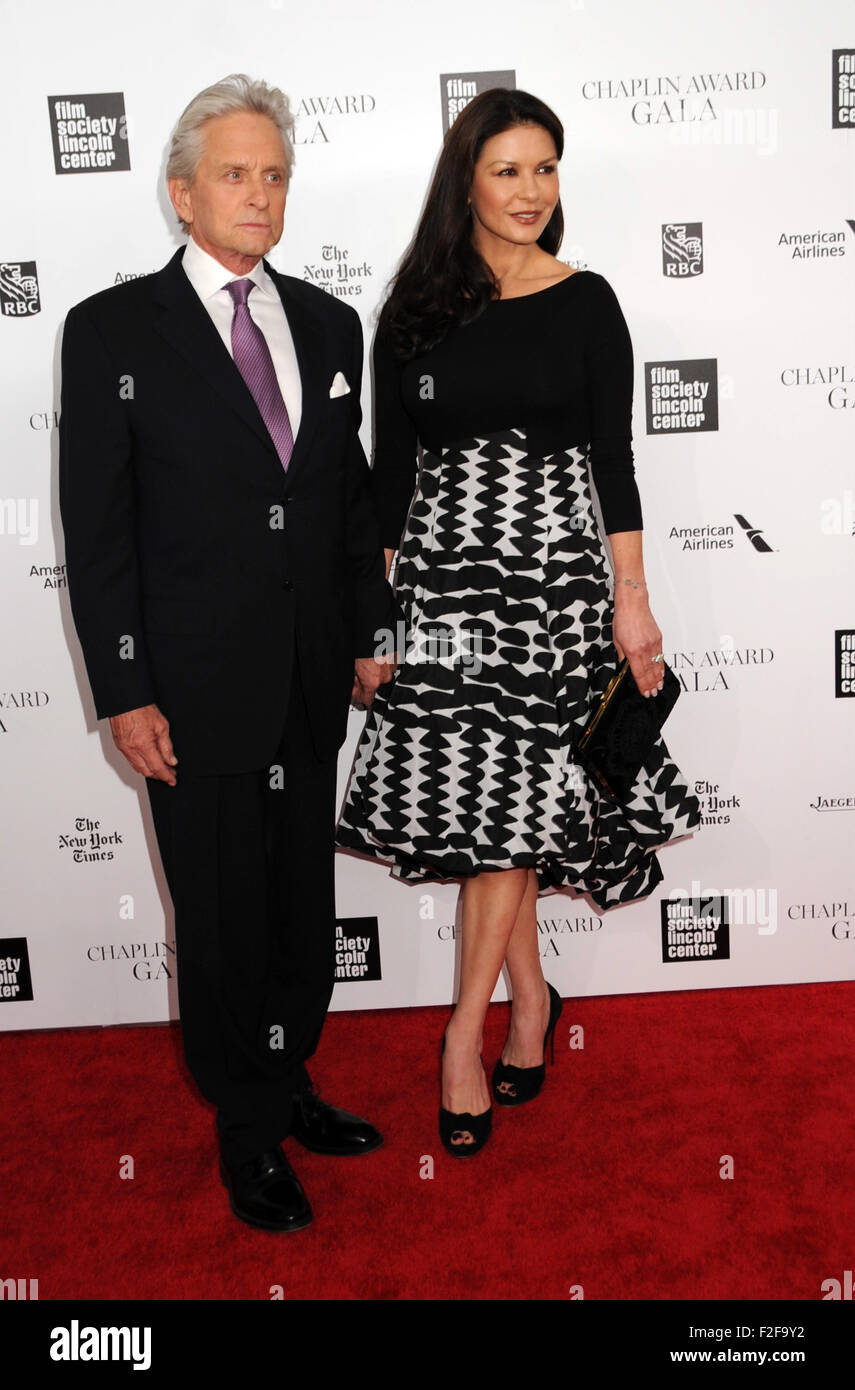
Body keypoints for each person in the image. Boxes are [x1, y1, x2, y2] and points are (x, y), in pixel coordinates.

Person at [58, 74, 396, 1231]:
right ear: (182, 192)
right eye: (238, 174)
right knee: (220, 917)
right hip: (193, 696)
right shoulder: (110, 332)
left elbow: (345, 506)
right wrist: (125, 690)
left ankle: (287, 1076)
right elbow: (96, 535)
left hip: (309, 683)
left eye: (276, 175)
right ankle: (245, 1131)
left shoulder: (328, 321)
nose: (261, 194)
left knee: (301, 905)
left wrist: (369, 633)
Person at [336, 89, 701, 1157]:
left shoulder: (587, 302)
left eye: (547, 169)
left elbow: (614, 465)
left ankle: (464, 1039)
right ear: (467, 180)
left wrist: (632, 603)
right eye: (509, 170)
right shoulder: (413, 307)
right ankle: (531, 1008)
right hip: (444, 588)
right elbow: (390, 482)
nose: (533, 191)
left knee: (514, 805)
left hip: (550, 588)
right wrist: (382, 620)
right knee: (505, 810)